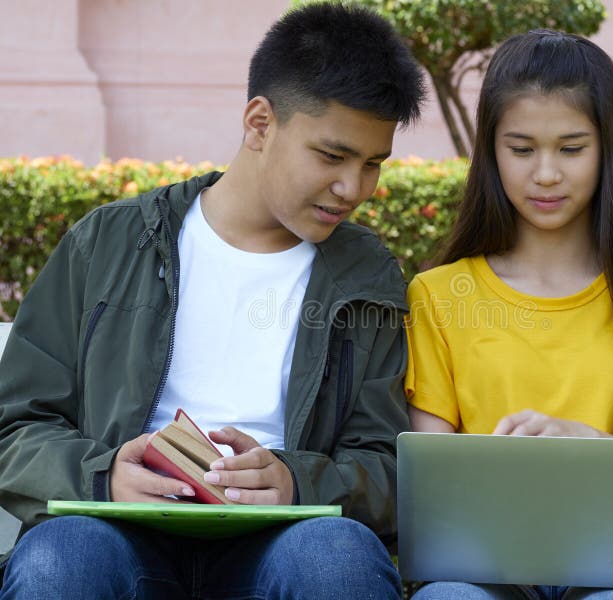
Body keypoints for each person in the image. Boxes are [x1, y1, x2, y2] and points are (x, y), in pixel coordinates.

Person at [0, 3, 425, 598]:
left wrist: (296, 482)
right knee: (59, 560)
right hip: (114, 531)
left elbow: (388, 462)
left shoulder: (367, 275)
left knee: (337, 562)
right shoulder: (108, 242)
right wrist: (103, 478)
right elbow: (15, 424)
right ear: (259, 123)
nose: (353, 189)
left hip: (286, 545)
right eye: (332, 156)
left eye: (372, 164)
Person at [404, 29, 613, 600]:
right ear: (490, 151)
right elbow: (434, 494)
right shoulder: (439, 296)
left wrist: (582, 446)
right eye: (520, 148)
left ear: (607, 147)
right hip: (486, 560)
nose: (545, 174)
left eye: (570, 148)